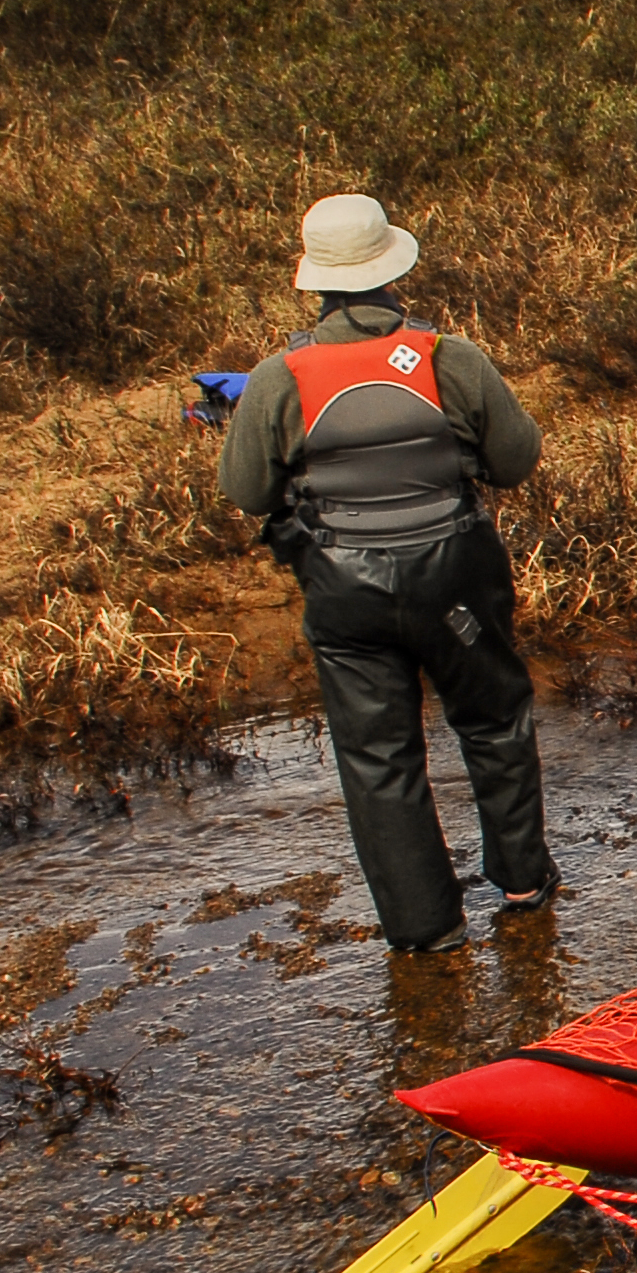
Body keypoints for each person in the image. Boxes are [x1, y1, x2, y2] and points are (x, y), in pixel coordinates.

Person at [220, 194, 556, 955]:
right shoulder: (452, 359)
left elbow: (246, 492)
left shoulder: (278, 378)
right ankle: (524, 882)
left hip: (345, 594)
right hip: (457, 583)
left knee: (377, 758)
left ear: (317, 281)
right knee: (494, 721)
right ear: (393, 268)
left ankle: (424, 927)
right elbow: (516, 461)